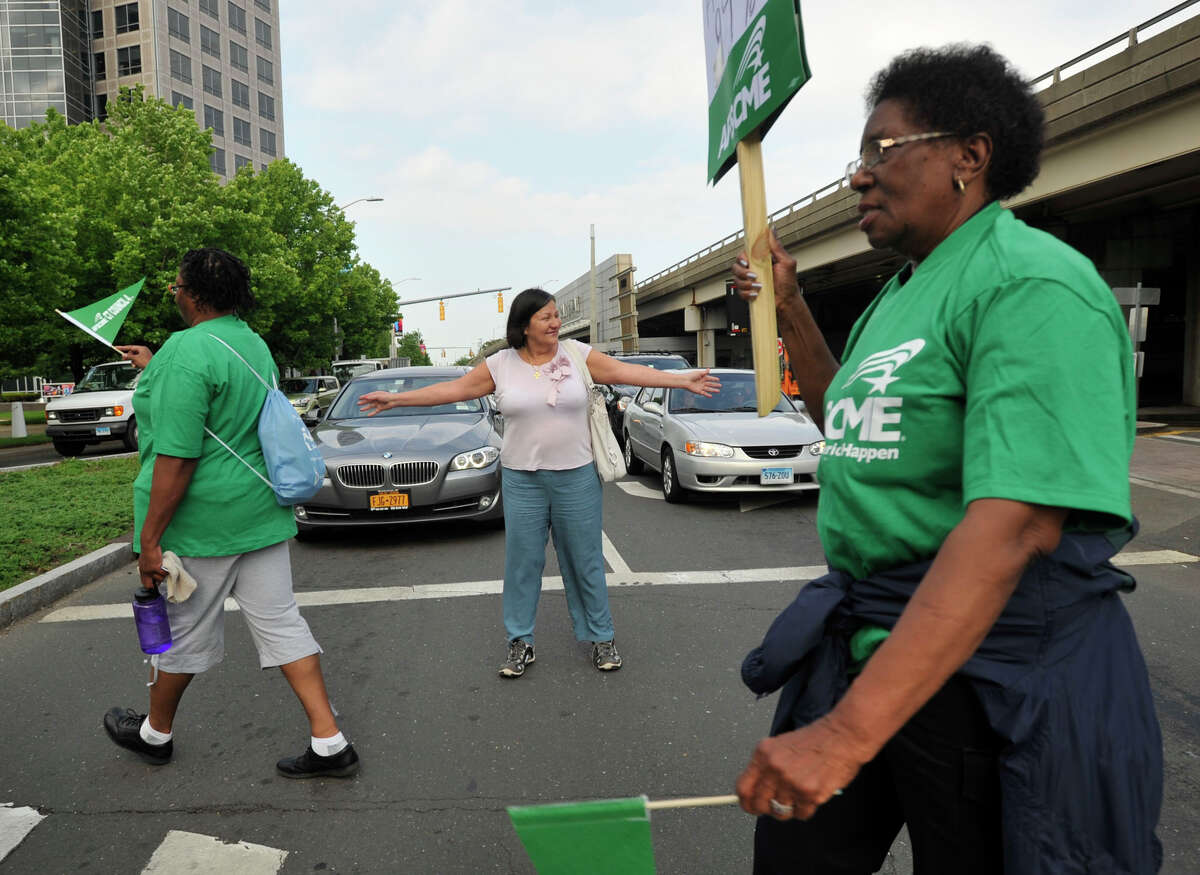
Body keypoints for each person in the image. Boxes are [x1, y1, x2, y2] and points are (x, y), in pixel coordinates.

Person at [730, 45, 1162, 873]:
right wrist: (789, 307)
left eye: (880, 149)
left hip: (985, 674)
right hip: (869, 648)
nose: (859, 176)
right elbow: (853, 423)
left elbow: (1014, 524)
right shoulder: (902, 290)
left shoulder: (1031, 283)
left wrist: (846, 737)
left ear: (970, 155)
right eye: (859, 155)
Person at [358, 288, 720, 678]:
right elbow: (455, 390)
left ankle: (601, 637)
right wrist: (398, 400)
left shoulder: (577, 355)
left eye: (555, 316)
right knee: (522, 564)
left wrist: (681, 381)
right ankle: (520, 641)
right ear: (525, 324)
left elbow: (625, 371)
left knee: (585, 562)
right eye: (546, 317)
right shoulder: (500, 364)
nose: (555, 323)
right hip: (521, 480)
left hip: (577, 477)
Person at [104, 248, 360, 779]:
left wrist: (150, 541)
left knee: (180, 633)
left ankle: (155, 735)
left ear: (192, 294)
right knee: (282, 623)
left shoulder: (186, 351)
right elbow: (224, 402)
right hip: (259, 513)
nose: (173, 293)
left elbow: (177, 458)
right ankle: (330, 741)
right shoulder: (249, 341)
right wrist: (157, 367)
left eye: (175, 286)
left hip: (203, 525)